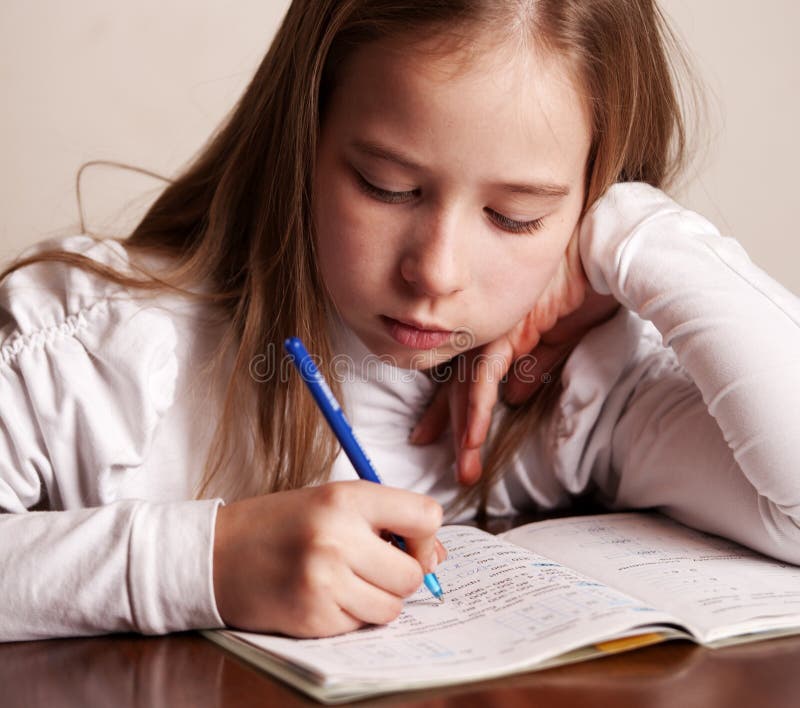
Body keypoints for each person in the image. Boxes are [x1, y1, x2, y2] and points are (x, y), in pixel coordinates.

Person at [1, 0, 798, 643]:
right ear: (303, 136)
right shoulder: (88, 351)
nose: (436, 272)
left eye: (516, 216)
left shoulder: (578, 386)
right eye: (387, 187)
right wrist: (207, 564)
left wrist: (637, 234)